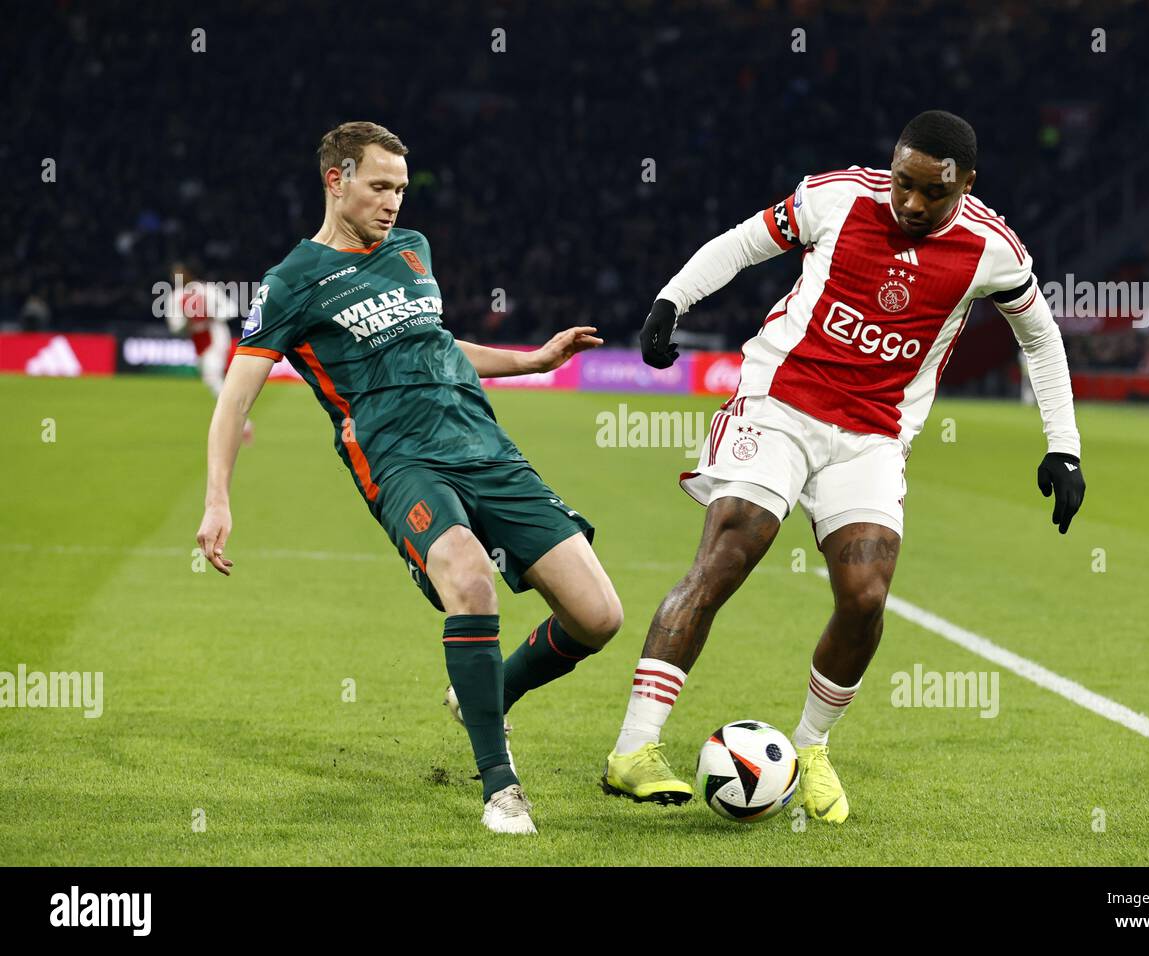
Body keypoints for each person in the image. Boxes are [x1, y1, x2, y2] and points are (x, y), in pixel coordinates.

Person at [602, 110, 1086, 823]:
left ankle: (811, 748)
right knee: (731, 549)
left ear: (967, 185)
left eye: (934, 193)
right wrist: (674, 298)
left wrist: (1063, 444)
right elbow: (743, 243)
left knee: (865, 597)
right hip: (780, 404)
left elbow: (1040, 341)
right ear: (891, 166)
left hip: (872, 436)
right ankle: (634, 750)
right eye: (904, 184)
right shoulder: (837, 196)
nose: (913, 204)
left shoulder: (993, 250)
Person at [195, 121, 622, 835]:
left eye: (400, 187)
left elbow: (433, 345)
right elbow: (237, 392)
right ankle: (500, 786)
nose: (394, 201)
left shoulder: (412, 250)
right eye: (379, 186)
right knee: (468, 575)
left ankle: (486, 693)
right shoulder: (293, 281)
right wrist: (217, 499)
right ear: (337, 179)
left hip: (483, 443)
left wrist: (533, 360)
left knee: (598, 615)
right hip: (398, 458)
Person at [164, 262, 254, 444]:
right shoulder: (176, 297)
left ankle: (242, 424)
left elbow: (231, 309)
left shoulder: (207, 290)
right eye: (175, 275)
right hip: (199, 342)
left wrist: (211, 315)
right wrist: (186, 323)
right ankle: (236, 418)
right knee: (213, 380)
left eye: (181, 273)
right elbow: (175, 326)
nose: (178, 278)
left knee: (214, 378)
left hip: (216, 337)